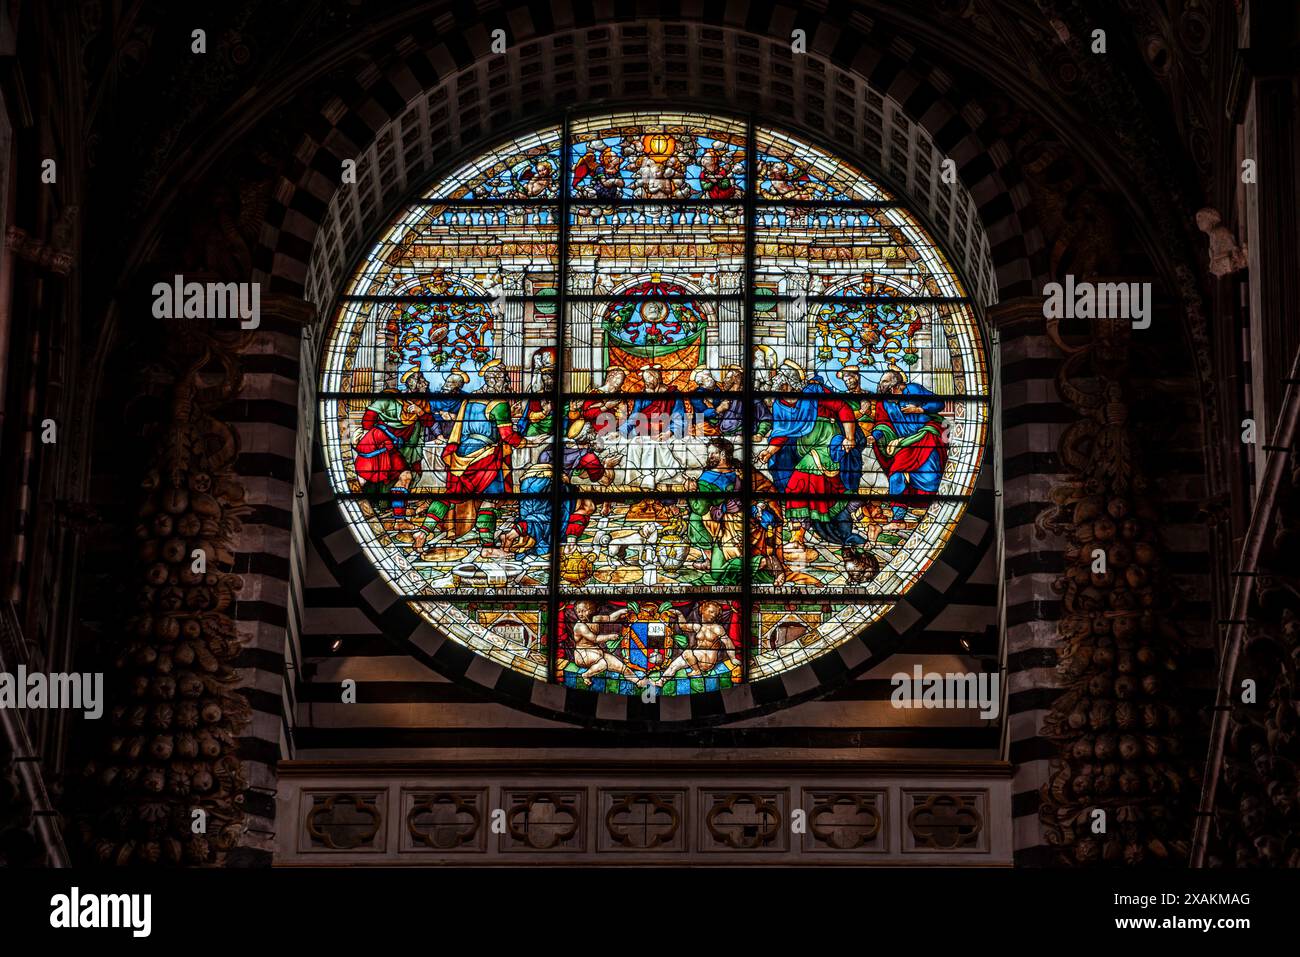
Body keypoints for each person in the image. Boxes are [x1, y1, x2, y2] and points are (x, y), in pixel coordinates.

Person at [411, 360, 522, 548]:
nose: (506, 382)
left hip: (461, 455)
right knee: (490, 499)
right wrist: (527, 441)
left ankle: (422, 532)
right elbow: (507, 436)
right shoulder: (499, 403)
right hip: (485, 456)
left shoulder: (470, 399)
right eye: (504, 378)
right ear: (498, 379)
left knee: (450, 496)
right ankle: (487, 547)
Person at [756, 360, 867, 549]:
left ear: (791, 383)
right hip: (803, 447)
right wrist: (769, 451)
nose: (781, 388)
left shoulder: (813, 392)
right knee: (802, 481)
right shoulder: (779, 405)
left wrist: (849, 437)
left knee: (798, 483)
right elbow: (782, 433)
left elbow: (843, 408)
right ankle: (801, 534)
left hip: (828, 442)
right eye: (779, 386)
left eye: (784, 385)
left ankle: (798, 535)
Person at [867, 369, 948, 528]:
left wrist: (920, 409)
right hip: (903, 443)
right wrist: (874, 436)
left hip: (924, 437)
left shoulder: (914, 390)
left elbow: (939, 403)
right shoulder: (885, 403)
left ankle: (939, 510)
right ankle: (898, 520)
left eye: (886, 385)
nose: (882, 387)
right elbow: (882, 424)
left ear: (895, 386)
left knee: (931, 480)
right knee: (896, 474)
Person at [353, 368, 433, 517]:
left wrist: (419, 412)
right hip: (382, 444)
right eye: (422, 381)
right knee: (380, 475)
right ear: (413, 384)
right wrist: (367, 438)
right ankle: (391, 514)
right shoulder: (391, 398)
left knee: (400, 476)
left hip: (404, 446)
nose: (426, 383)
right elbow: (370, 415)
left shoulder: (423, 404)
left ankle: (388, 508)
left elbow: (429, 422)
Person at [659, 601, 736, 682]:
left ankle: (696, 671)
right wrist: (679, 614)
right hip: (695, 660)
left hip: (707, 661)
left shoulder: (717, 628)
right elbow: (683, 626)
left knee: (687, 653)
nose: (713, 615)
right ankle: (661, 681)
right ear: (702, 610)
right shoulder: (698, 627)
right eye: (711, 612)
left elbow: (728, 643)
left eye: (715, 613)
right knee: (674, 665)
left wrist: (733, 658)